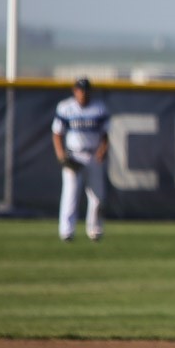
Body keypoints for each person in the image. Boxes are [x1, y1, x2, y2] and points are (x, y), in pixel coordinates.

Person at [51, 77, 110, 243]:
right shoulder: (66, 108)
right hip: (74, 154)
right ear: (74, 91)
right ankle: (66, 232)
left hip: (92, 155)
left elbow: (105, 134)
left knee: (98, 197)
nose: (83, 93)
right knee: (70, 195)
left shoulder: (98, 108)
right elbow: (57, 132)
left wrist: (103, 150)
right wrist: (61, 154)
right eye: (80, 90)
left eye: (85, 90)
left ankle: (95, 230)